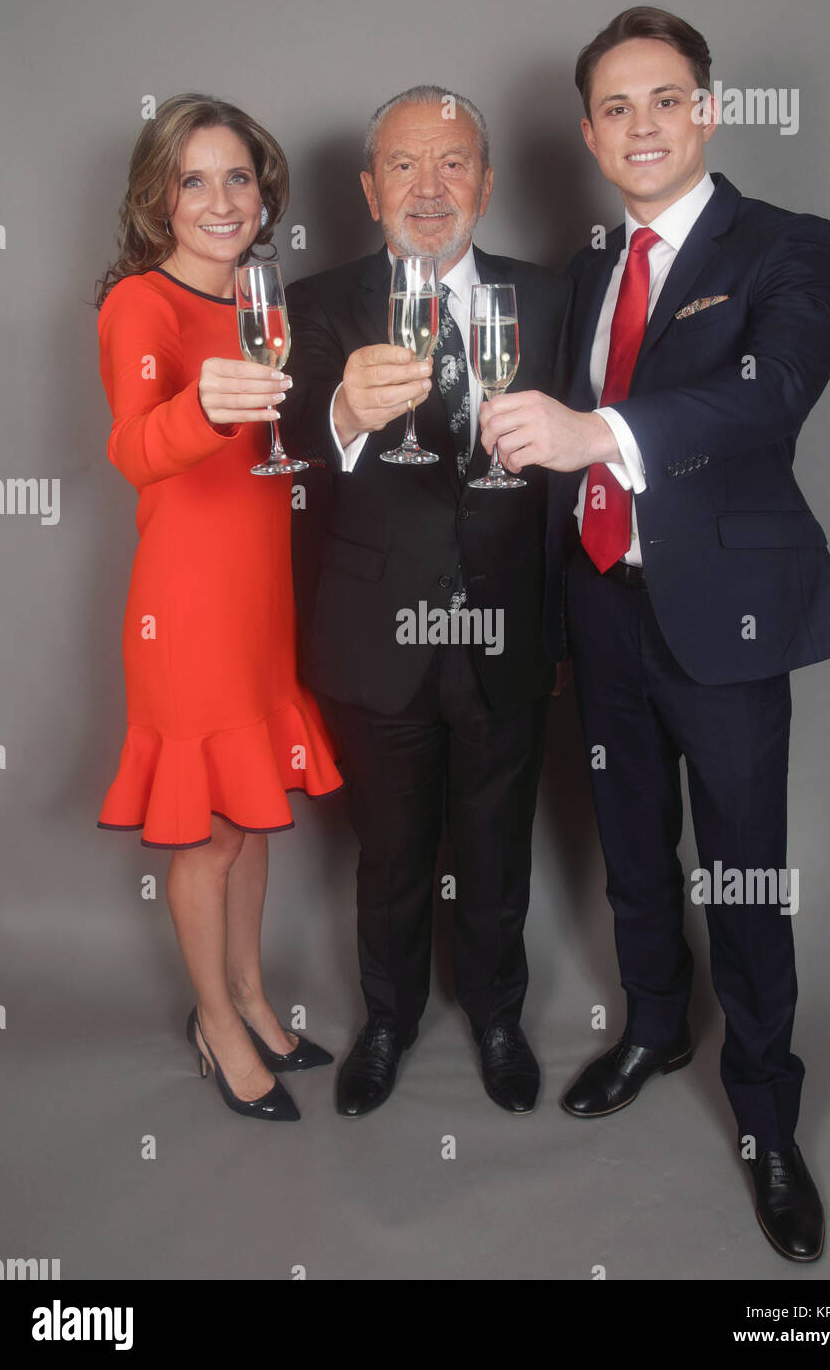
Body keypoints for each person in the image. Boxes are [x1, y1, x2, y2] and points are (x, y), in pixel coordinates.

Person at [479, 8, 830, 1259]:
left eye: (666, 99)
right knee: (630, 841)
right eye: (616, 108)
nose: (642, 125)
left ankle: (764, 1116)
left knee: (743, 870)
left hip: (730, 613)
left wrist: (604, 436)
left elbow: (771, 395)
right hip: (602, 600)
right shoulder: (594, 265)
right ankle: (654, 1022)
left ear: (708, 110)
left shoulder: (792, 246)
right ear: (589, 133)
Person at [282, 86, 572, 1116]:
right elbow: (283, 458)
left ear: (487, 183)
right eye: (405, 165)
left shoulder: (547, 300)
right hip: (375, 634)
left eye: (453, 163)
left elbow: (580, 462)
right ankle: (391, 1019)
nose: (430, 187)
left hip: (507, 625)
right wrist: (342, 415)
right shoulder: (315, 304)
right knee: (392, 850)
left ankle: (497, 1017)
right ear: (369, 189)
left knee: (497, 846)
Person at [95, 93, 342, 1122]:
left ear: (265, 189)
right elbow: (133, 449)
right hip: (184, 607)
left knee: (255, 811)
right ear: (159, 198)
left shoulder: (261, 298)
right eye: (193, 178)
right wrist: (199, 407)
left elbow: (294, 446)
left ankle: (249, 992)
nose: (219, 197)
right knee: (208, 835)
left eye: (237, 175)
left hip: (262, 599)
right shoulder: (138, 305)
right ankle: (216, 1022)